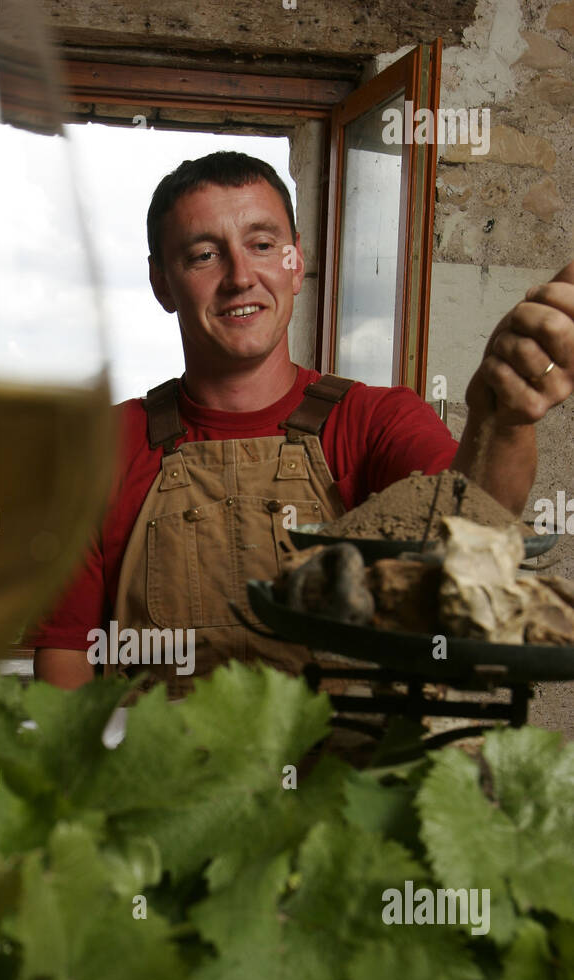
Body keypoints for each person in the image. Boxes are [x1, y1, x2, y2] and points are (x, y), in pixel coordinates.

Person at [29, 151, 574, 693]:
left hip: (346, 771)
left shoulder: (376, 420)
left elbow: (475, 528)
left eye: (263, 246)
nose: (241, 277)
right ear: (162, 283)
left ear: (295, 265)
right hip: (159, 773)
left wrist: (500, 420)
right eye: (203, 255)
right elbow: (66, 665)